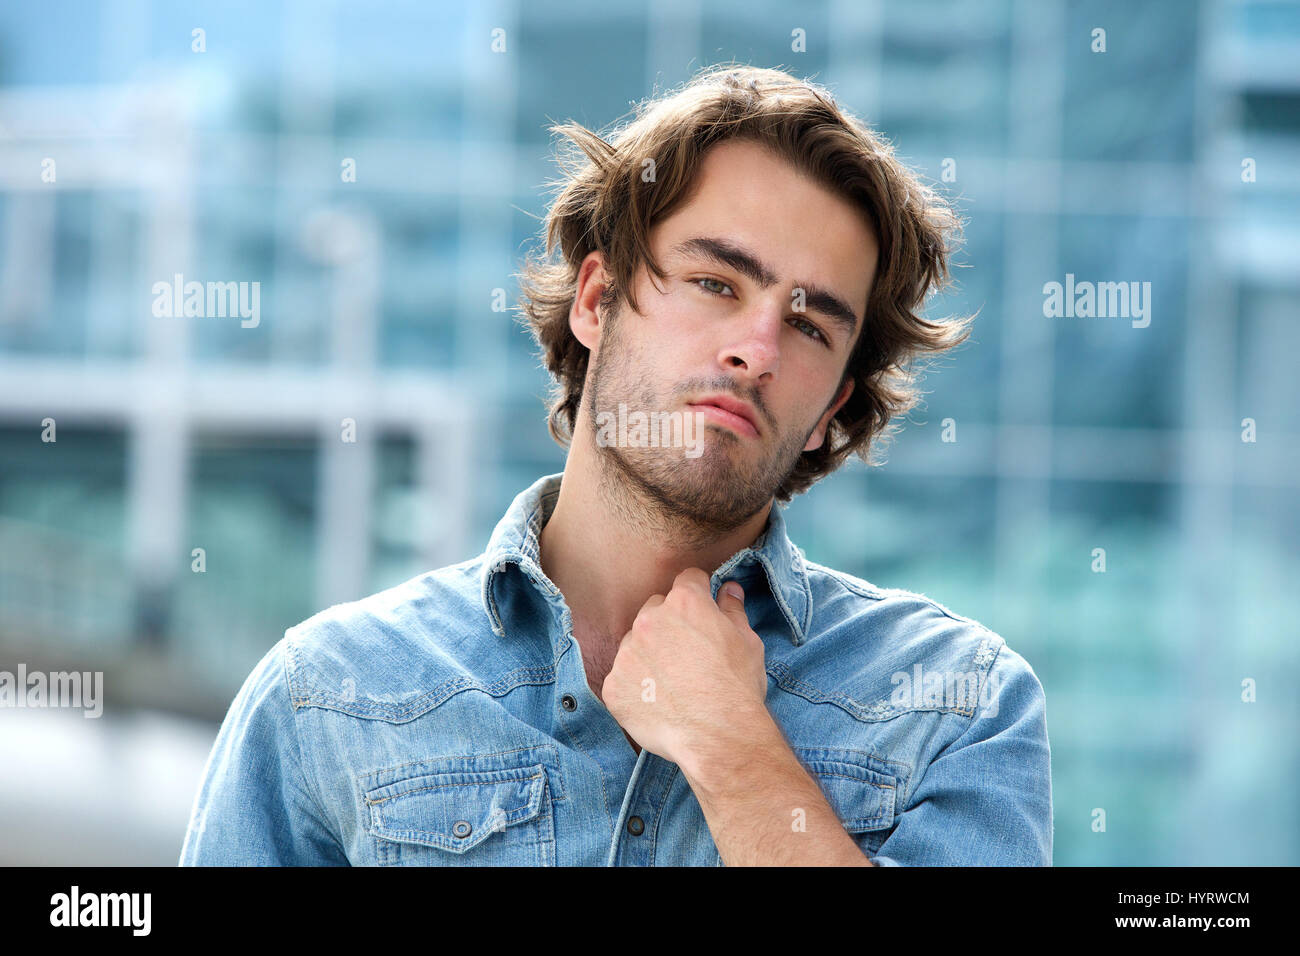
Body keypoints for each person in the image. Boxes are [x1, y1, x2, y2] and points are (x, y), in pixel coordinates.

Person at [180, 64, 1051, 867]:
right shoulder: (328, 696)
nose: (756, 349)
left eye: (811, 325)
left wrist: (732, 748)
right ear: (597, 300)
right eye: (716, 282)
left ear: (831, 411)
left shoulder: (956, 706)